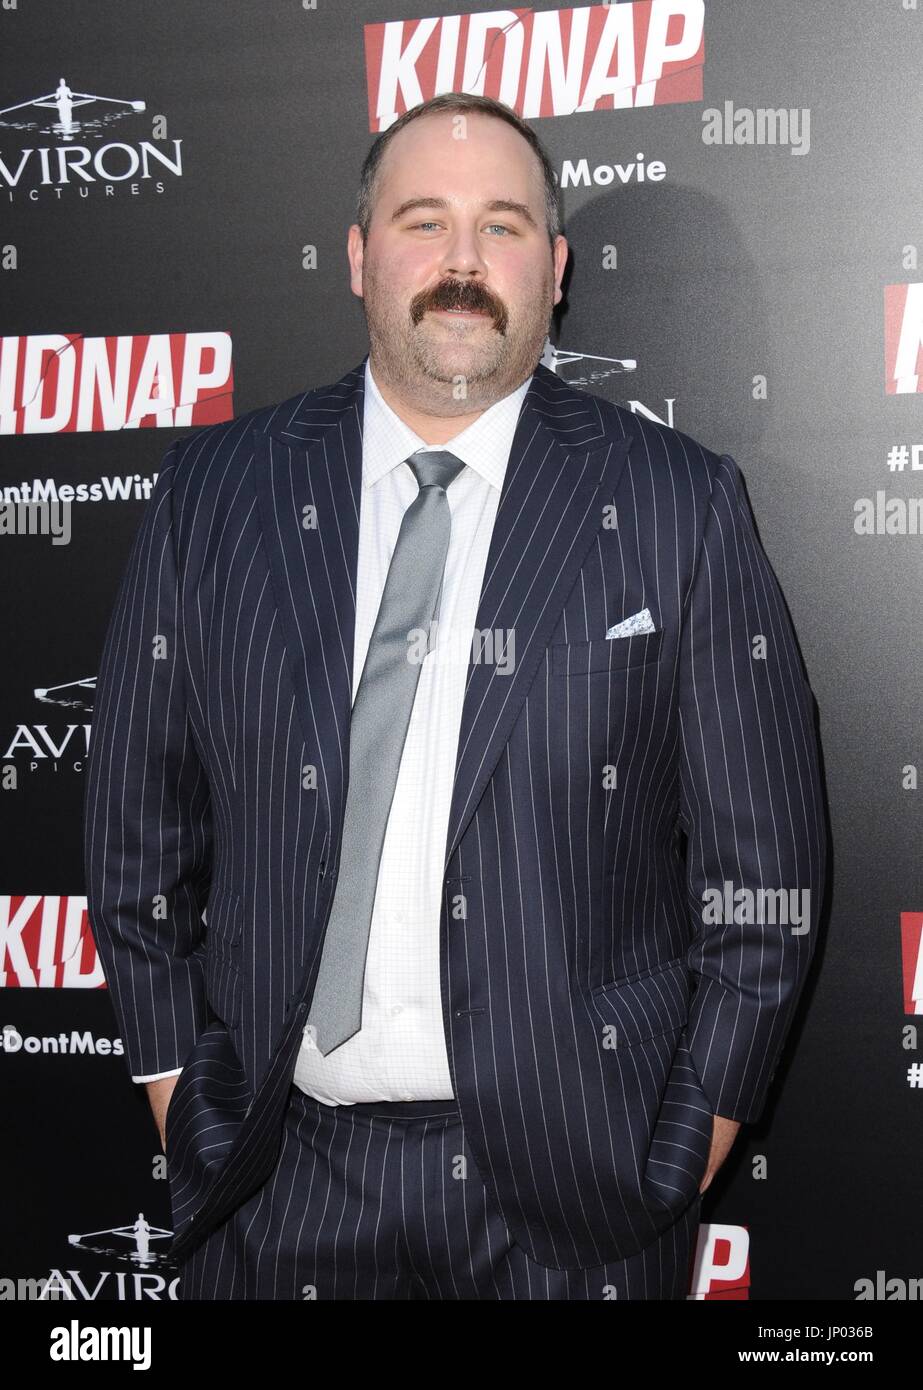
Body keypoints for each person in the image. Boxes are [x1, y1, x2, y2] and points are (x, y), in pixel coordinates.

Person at [84, 91, 827, 1301]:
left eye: (504, 227)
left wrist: (688, 1144)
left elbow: (764, 873)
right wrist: (182, 1098)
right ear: (359, 254)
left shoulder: (673, 504)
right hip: (276, 1182)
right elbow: (133, 837)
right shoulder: (215, 494)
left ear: (557, 266)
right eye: (424, 223)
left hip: (574, 1201)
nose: (463, 266)